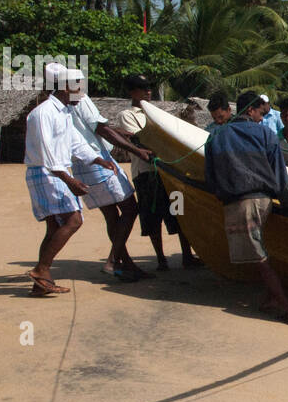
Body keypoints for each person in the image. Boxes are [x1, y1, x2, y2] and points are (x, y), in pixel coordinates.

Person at [204, 90, 288, 324]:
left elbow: (210, 178)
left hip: (240, 203)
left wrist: (222, 195)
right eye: (260, 113)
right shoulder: (266, 134)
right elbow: (281, 177)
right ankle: (270, 299)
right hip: (264, 202)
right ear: (250, 110)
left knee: (260, 260)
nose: (262, 118)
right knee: (260, 248)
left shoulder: (216, 136)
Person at [23, 78, 114, 296]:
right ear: (65, 88)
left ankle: (40, 283)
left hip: (57, 172)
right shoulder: (43, 113)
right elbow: (47, 152)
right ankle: (40, 269)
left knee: (55, 227)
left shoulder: (64, 113)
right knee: (74, 220)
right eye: (78, 91)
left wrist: (97, 159)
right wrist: (68, 180)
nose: (81, 96)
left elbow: (75, 143)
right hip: (47, 172)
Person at [67, 78, 152, 281]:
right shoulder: (79, 98)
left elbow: (93, 127)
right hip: (97, 159)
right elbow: (100, 128)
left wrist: (117, 131)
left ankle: (126, 264)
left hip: (80, 164)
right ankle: (113, 260)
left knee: (112, 216)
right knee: (130, 208)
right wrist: (136, 150)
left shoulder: (59, 104)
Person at [116, 75, 202, 271]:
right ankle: (161, 259)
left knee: (179, 212)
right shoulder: (127, 115)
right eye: (142, 88)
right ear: (132, 91)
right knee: (152, 215)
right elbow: (138, 139)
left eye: (149, 87)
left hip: (171, 173)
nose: (148, 91)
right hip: (147, 173)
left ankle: (186, 255)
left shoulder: (158, 114)